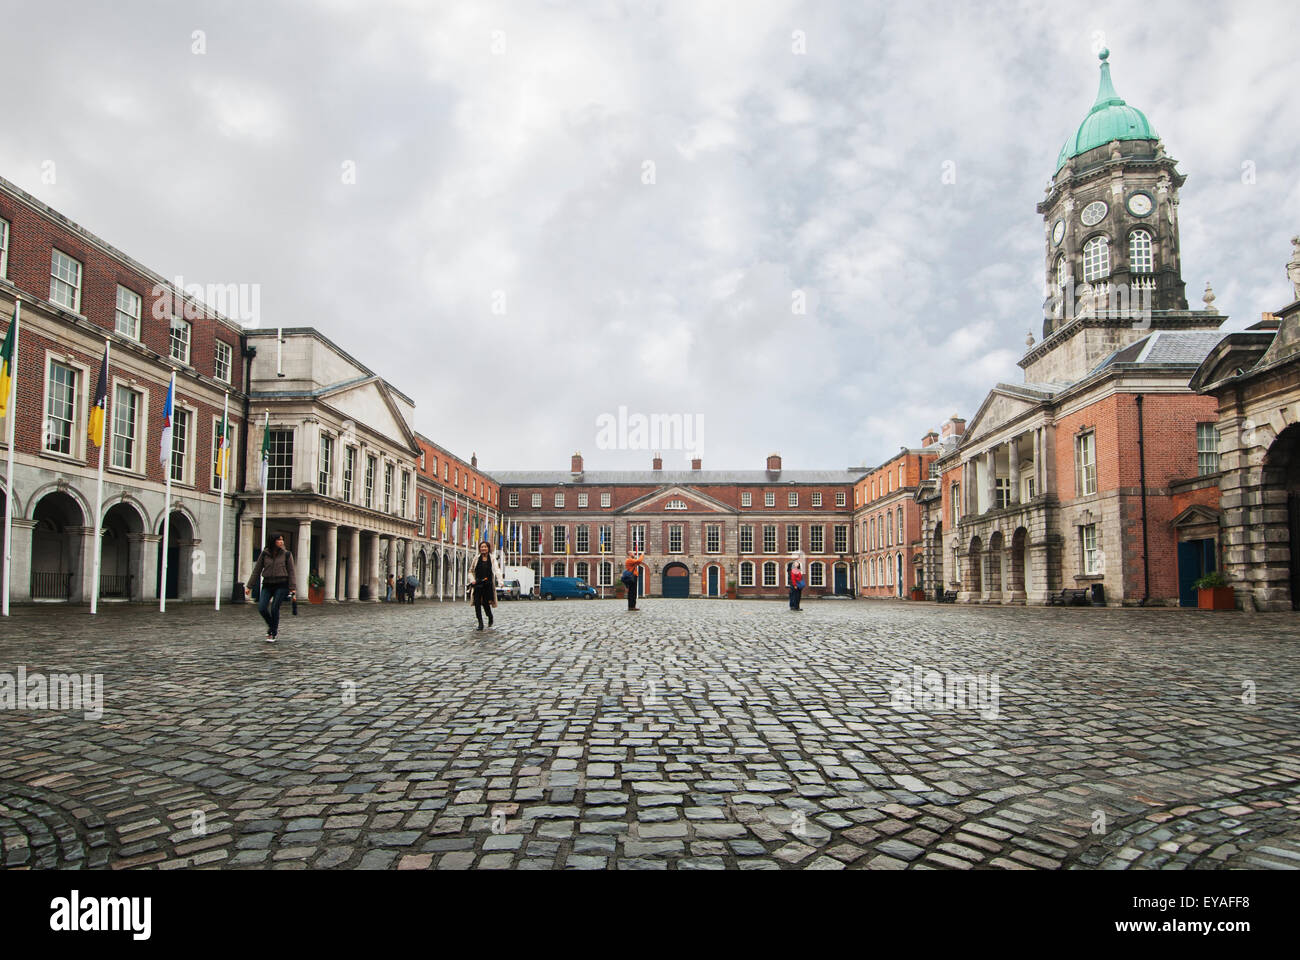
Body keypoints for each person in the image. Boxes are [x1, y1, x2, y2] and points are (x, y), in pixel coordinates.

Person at [245, 533, 297, 643]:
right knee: (262, 608)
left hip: (282, 584)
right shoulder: (265, 554)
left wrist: (292, 588)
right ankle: (272, 626)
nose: (281, 542)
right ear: (273, 541)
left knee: (274, 608)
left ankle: (272, 632)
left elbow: (291, 572)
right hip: (267, 584)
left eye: (282, 540)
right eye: (279, 540)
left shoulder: (287, 554)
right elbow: (257, 570)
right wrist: (249, 586)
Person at [468, 539, 503, 630]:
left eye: (485, 547)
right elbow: (470, 571)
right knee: (477, 603)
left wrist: (500, 581)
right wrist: (472, 580)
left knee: (485, 603)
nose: (483, 549)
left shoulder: (492, 558)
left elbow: (496, 570)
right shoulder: (476, 558)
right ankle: (480, 623)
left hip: (487, 584)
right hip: (477, 583)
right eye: (481, 547)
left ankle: (490, 616)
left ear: (488, 548)